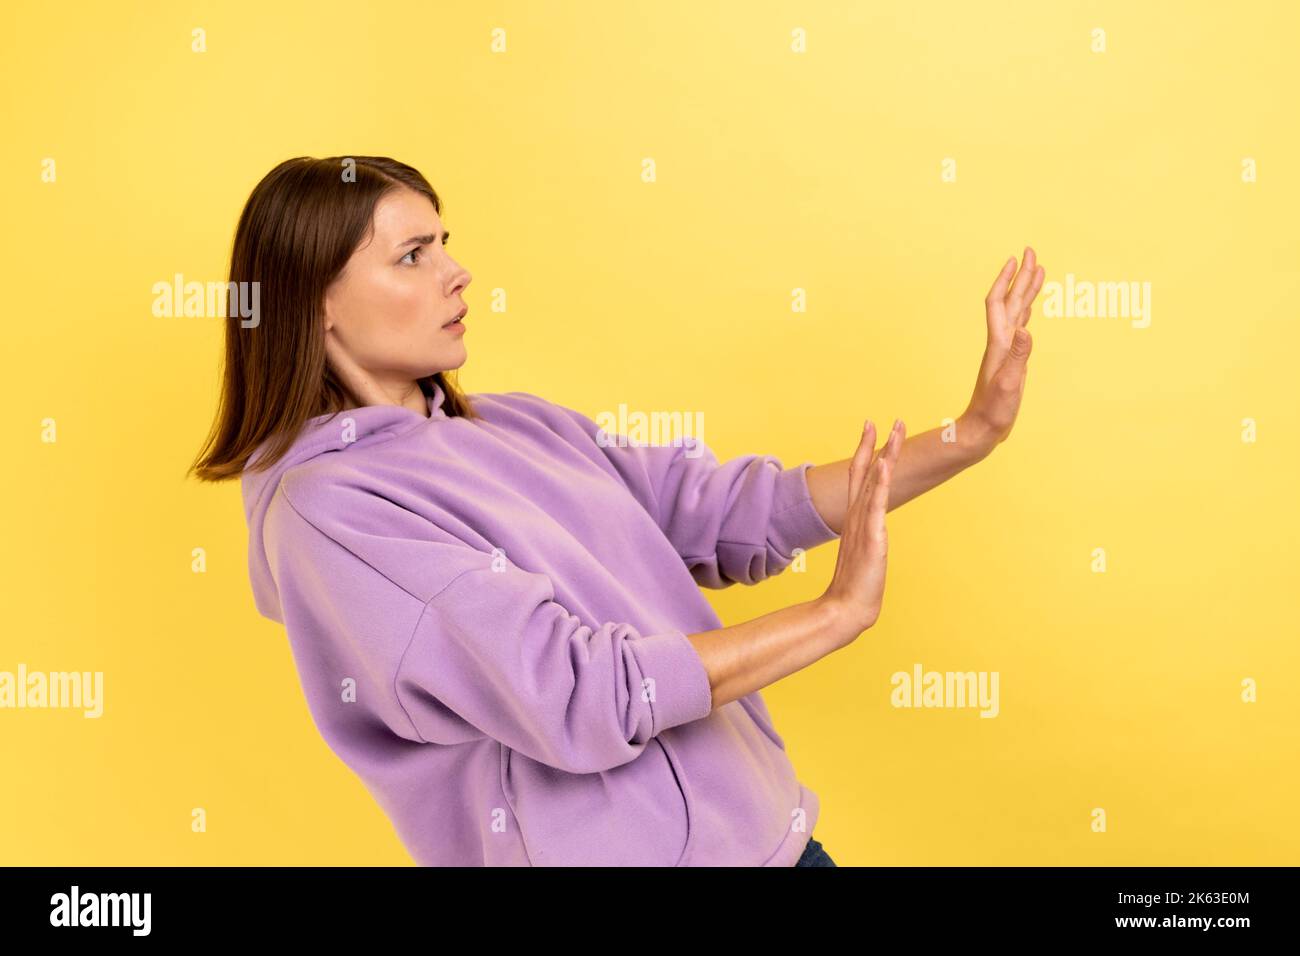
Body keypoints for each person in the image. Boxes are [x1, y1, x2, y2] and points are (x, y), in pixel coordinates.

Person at [190, 155, 1044, 866]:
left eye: (446, 242)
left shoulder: (516, 424)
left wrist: (968, 436)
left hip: (774, 840)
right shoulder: (333, 511)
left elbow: (726, 511)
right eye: (413, 254)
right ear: (316, 302)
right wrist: (833, 615)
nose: (458, 271)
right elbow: (575, 694)